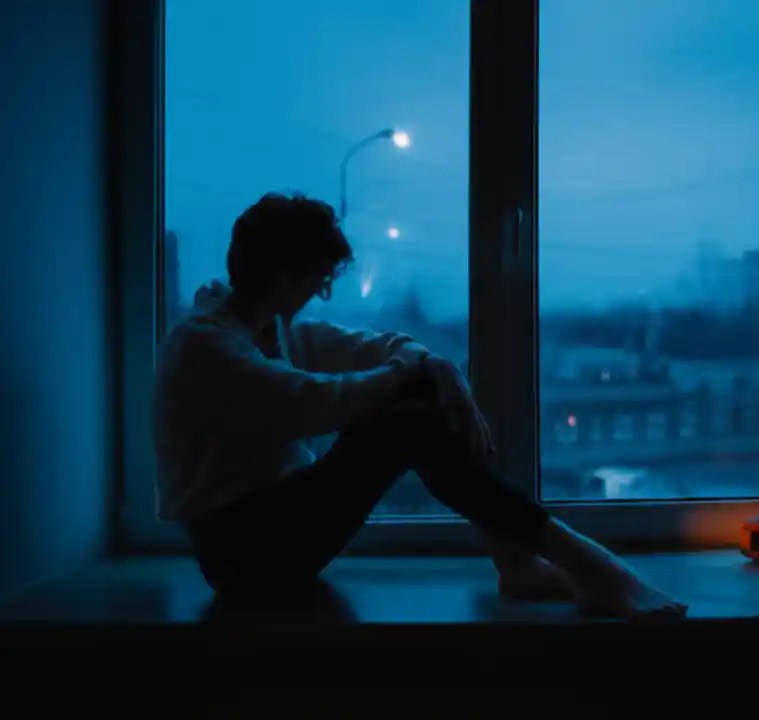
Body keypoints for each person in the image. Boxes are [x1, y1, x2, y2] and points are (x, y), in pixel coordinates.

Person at [152, 191, 686, 620]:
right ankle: (584, 564)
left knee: (414, 389)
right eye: (319, 279)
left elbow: (371, 346)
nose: (321, 292)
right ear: (288, 275)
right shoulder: (206, 345)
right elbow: (310, 404)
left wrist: (432, 366)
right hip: (242, 554)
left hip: (275, 533)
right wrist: (412, 374)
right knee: (405, 417)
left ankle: (519, 564)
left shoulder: (271, 328)